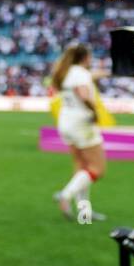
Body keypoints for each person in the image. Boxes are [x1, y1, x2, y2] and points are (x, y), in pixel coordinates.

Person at [50, 44, 107, 220]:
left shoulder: (65, 71)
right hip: (82, 122)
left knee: (82, 168)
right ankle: (65, 195)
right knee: (97, 169)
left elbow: (89, 77)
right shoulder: (80, 73)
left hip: (66, 121)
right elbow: (83, 95)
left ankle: (84, 213)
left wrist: (108, 73)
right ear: (85, 57)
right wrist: (95, 112)